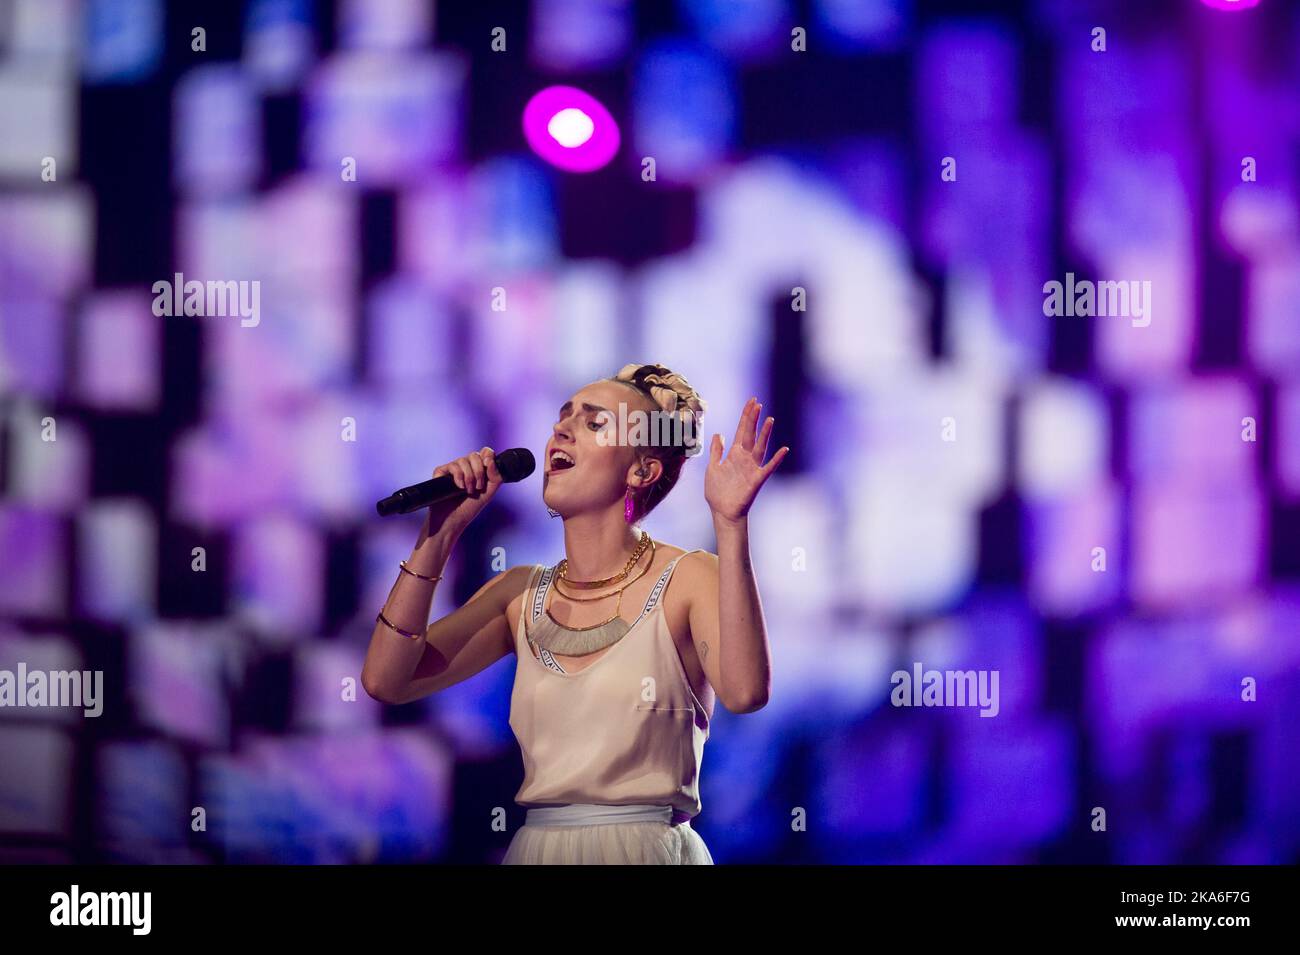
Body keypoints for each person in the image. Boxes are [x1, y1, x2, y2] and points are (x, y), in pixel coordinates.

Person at [361, 362, 789, 863]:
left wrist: (731, 524)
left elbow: (745, 691)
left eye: (593, 422)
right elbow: (386, 681)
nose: (560, 430)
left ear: (642, 469)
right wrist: (439, 535)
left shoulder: (688, 578)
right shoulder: (519, 593)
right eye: (562, 418)